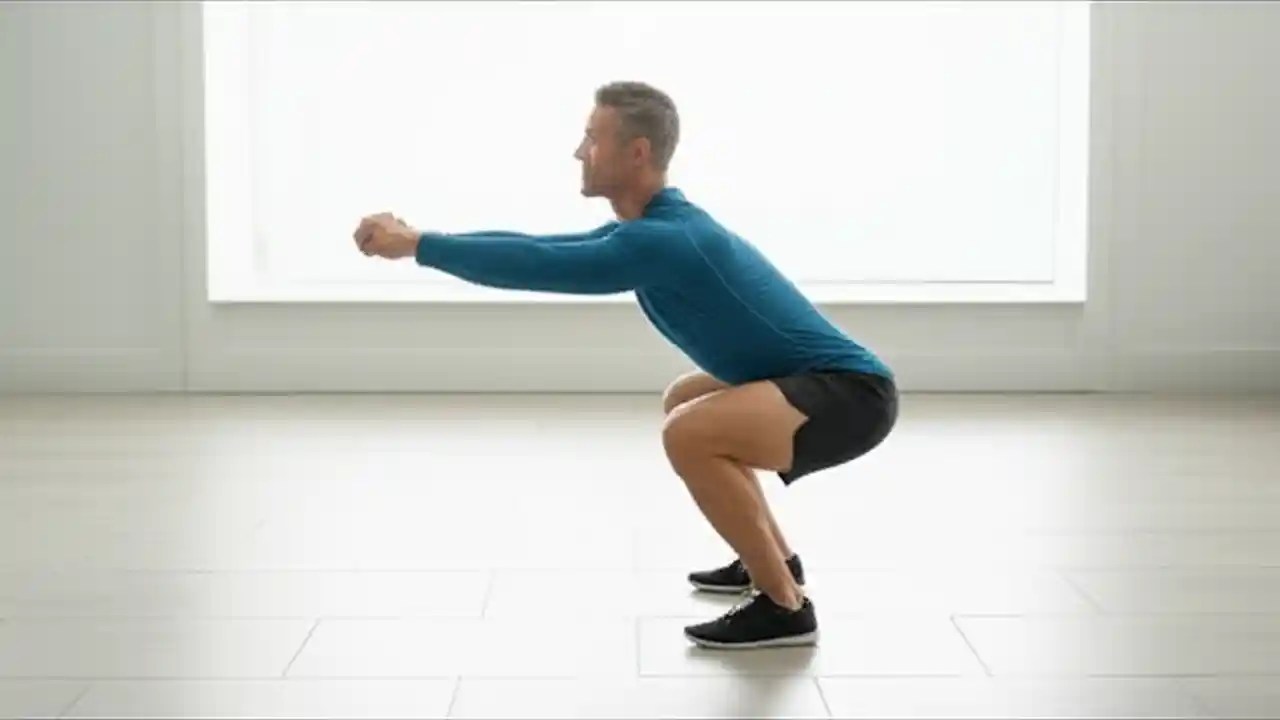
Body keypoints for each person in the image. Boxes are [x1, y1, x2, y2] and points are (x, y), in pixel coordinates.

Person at [353, 81, 898, 650]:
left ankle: (785, 609)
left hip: (851, 397)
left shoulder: (666, 240)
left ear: (636, 152)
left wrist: (417, 245)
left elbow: (539, 265)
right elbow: (543, 245)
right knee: (687, 400)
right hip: (833, 386)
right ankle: (772, 560)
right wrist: (423, 237)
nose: (578, 152)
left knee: (689, 435)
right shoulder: (657, 228)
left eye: (592, 138)